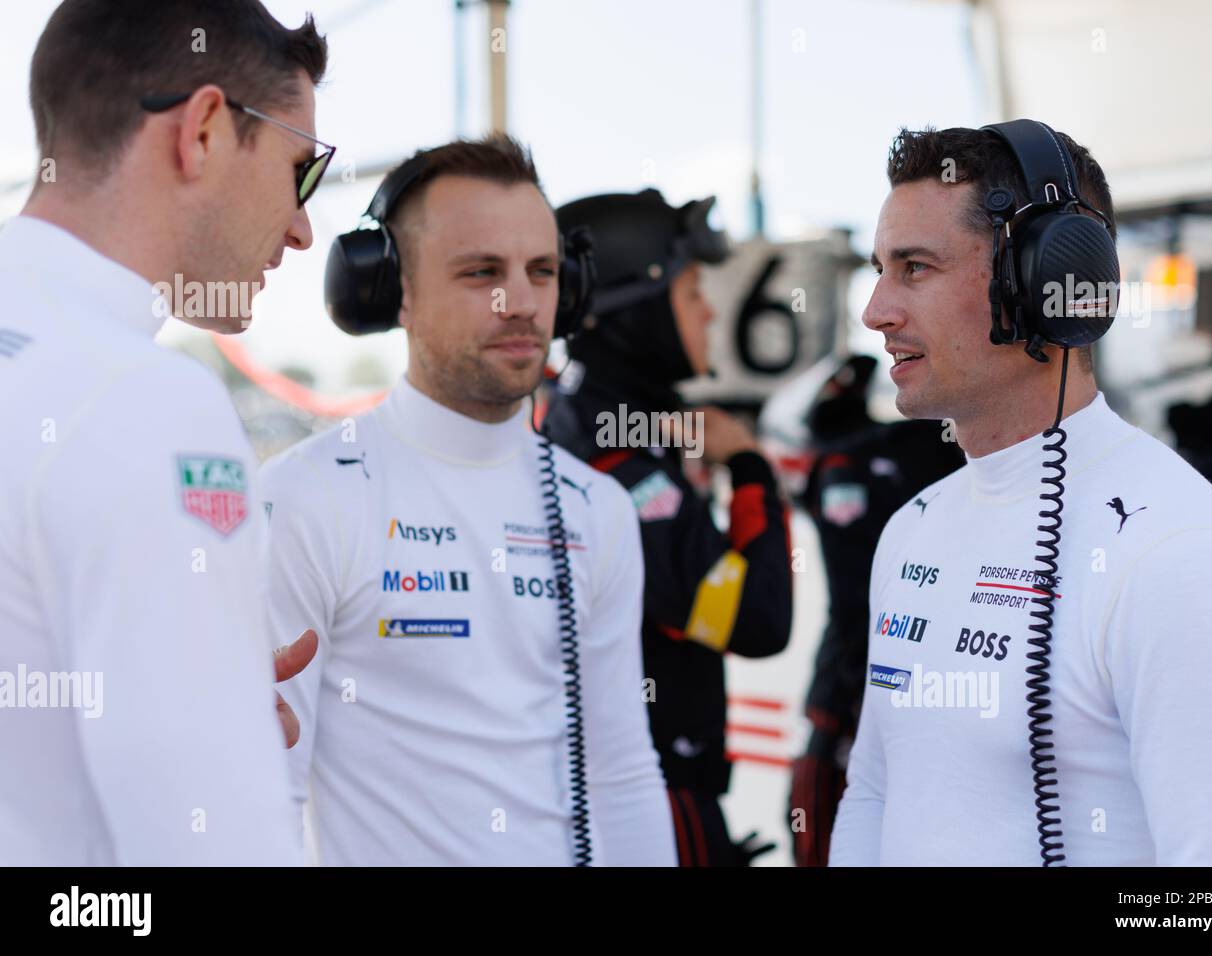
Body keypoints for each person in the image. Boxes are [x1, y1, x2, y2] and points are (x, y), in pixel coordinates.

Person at [829, 123, 1212, 866]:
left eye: (914, 268)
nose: (876, 310)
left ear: (1045, 281)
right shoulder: (912, 530)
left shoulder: (1177, 554)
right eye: (880, 269)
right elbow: (877, 796)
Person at [261, 136, 675, 866]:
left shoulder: (599, 509)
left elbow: (622, 773)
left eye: (542, 272)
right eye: (482, 271)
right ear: (394, 291)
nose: (520, 303)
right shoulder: (306, 496)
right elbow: (269, 795)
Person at [0, 0, 331, 864]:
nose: (302, 228)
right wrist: (207, 713)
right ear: (207, 131)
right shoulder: (144, 400)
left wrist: (178, 667)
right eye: (300, 171)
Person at [544, 189, 793, 866]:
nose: (711, 310)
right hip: (655, 803)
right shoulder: (615, 461)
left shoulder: (598, 424)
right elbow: (756, 618)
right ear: (636, 311)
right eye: (690, 293)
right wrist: (747, 467)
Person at [786, 355, 963, 866]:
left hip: (854, 683)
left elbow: (852, 596)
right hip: (911, 674)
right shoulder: (924, 450)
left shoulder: (843, 465)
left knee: (819, 815)